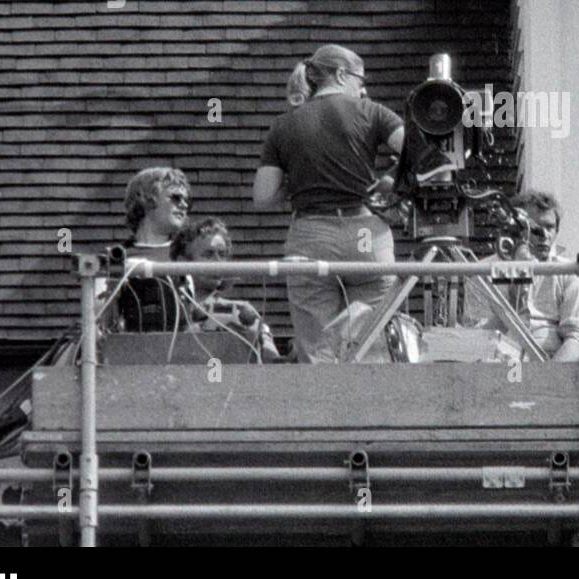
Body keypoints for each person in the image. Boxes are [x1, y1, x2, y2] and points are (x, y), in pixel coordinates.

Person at [252, 44, 404, 362]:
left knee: (317, 348)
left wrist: (297, 180)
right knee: (373, 337)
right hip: (365, 233)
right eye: (360, 80)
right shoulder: (372, 112)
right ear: (340, 74)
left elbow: (263, 196)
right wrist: (390, 179)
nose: (363, 89)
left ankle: (325, 366)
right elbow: (419, 153)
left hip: (310, 236)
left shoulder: (285, 124)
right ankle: (349, 360)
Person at [461, 191, 579, 361]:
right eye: (535, 228)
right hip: (498, 364)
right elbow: (477, 339)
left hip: (553, 365)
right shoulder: (483, 271)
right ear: (517, 228)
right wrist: (507, 309)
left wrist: (549, 380)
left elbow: (576, 339)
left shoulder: (568, 271)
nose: (544, 235)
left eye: (550, 227)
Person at [170, 217, 280, 362]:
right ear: (183, 263)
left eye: (222, 255)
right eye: (208, 255)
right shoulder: (170, 310)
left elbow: (272, 361)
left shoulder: (242, 310)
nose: (218, 262)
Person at [112, 166, 192, 332]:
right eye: (176, 198)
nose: (184, 205)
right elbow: (98, 324)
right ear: (147, 199)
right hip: (134, 352)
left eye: (186, 201)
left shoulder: (188, 254)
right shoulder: (116, 259)